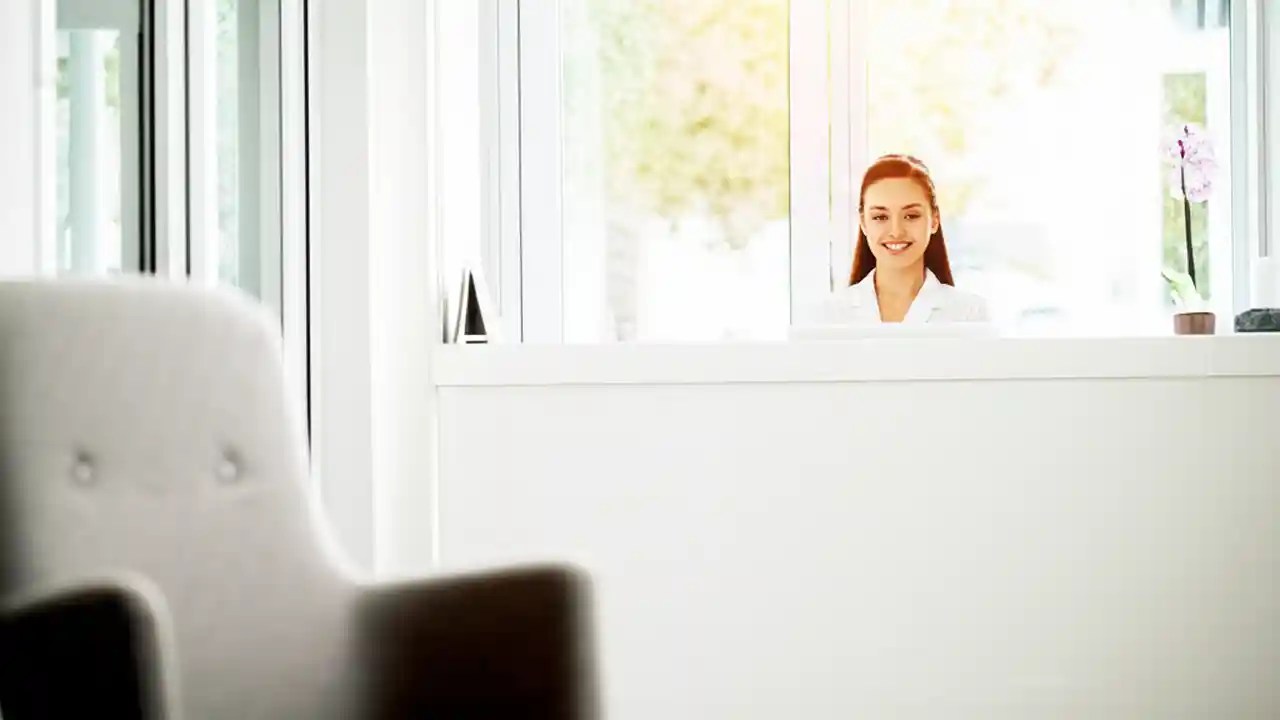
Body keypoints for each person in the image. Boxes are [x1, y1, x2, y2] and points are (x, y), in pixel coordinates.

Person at [817, 154, 988, 324]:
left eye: (911, 216)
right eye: (880, 217)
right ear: (863, 223)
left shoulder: (969, 314)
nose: (896, 232)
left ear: (934, 220)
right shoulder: (831, 316)